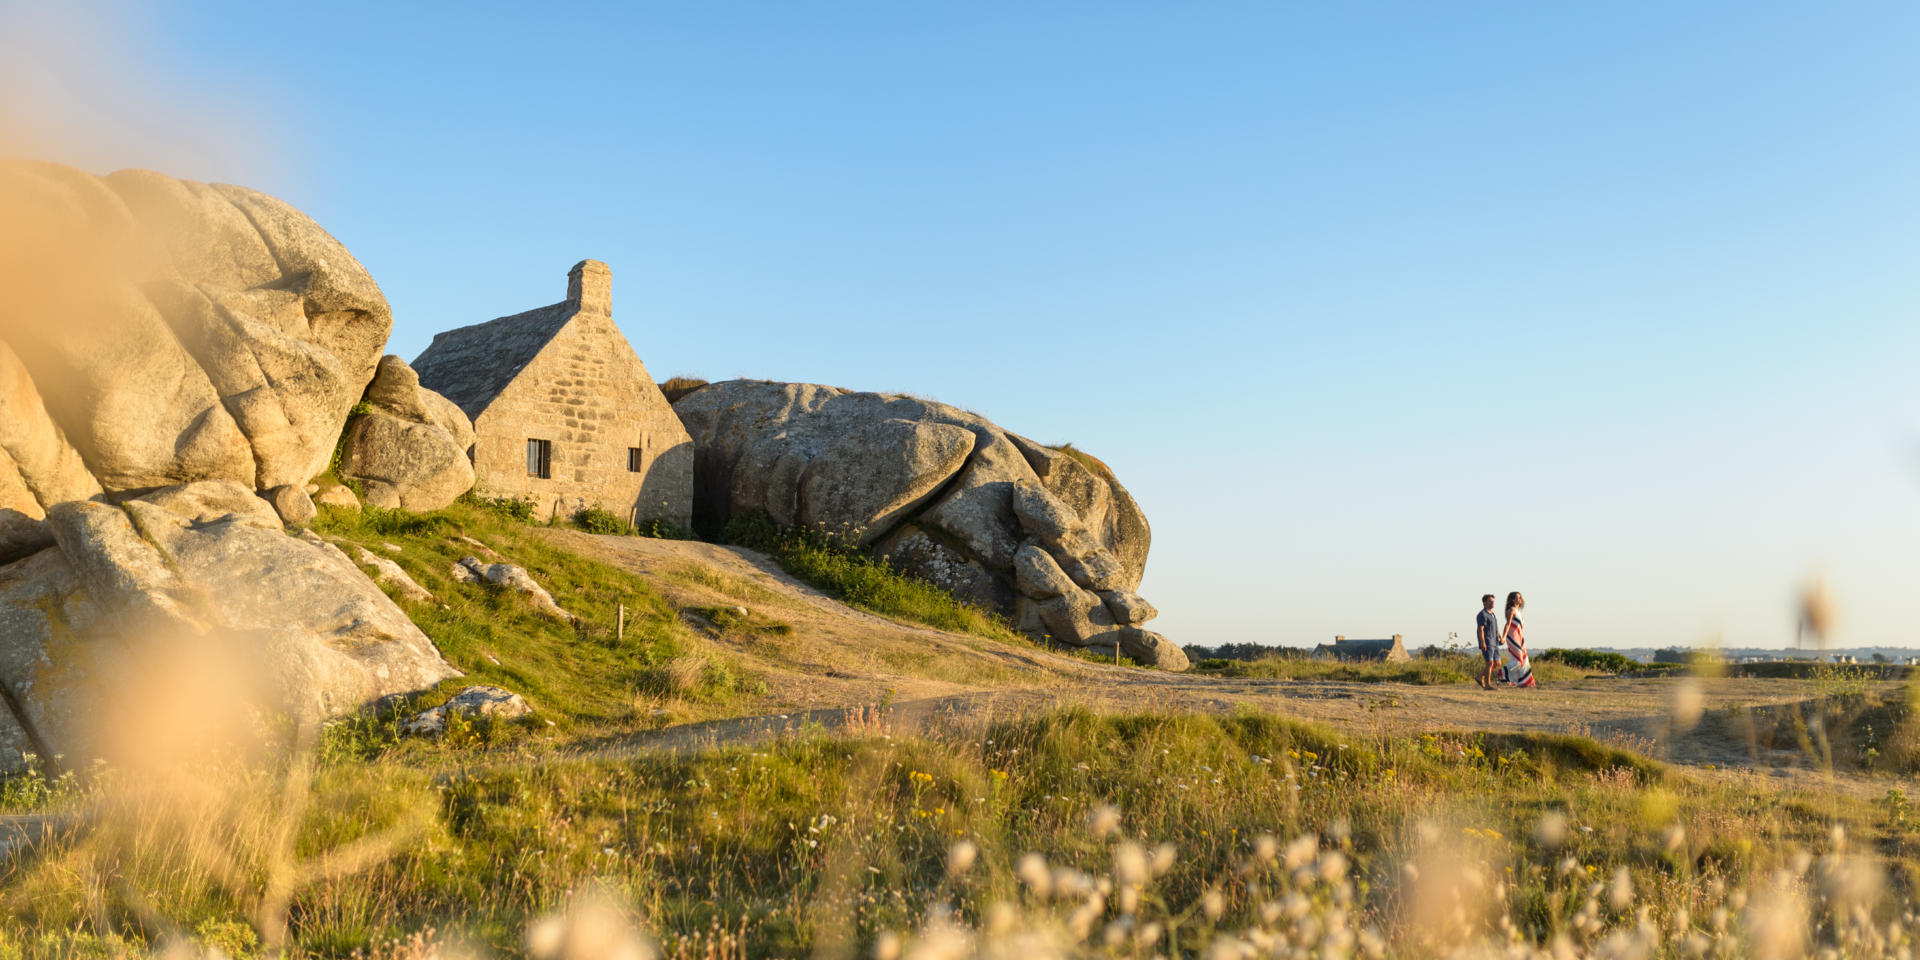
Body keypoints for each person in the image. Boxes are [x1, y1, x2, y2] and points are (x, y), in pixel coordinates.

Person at [1502, 591, 1536, 688]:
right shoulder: (1511, 610)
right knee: (1518, 661)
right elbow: (1508, 624)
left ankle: (1523, 682)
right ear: (1513, 599)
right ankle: (1499, 674)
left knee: (1524, 660)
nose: (1520, 599)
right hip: (1512, 637)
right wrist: (1504, 637)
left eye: (1520, 597)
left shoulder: (1518, 611)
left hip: (1520, 638)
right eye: (1518, 597)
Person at [1475, 594, 1501, 689]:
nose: (1493, 603)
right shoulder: (1482, 614)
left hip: (1495, 642)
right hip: (1488, 641)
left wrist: (1500, 637)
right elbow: (1480, 629)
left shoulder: (1492, 614)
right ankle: (1488, 685)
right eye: (1490, 601)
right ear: (1485, 602)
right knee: (1489, 663)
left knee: (1497, 663)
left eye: (1493, 601)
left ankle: (1480, 676)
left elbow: (1496, 628)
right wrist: (1483, 642)